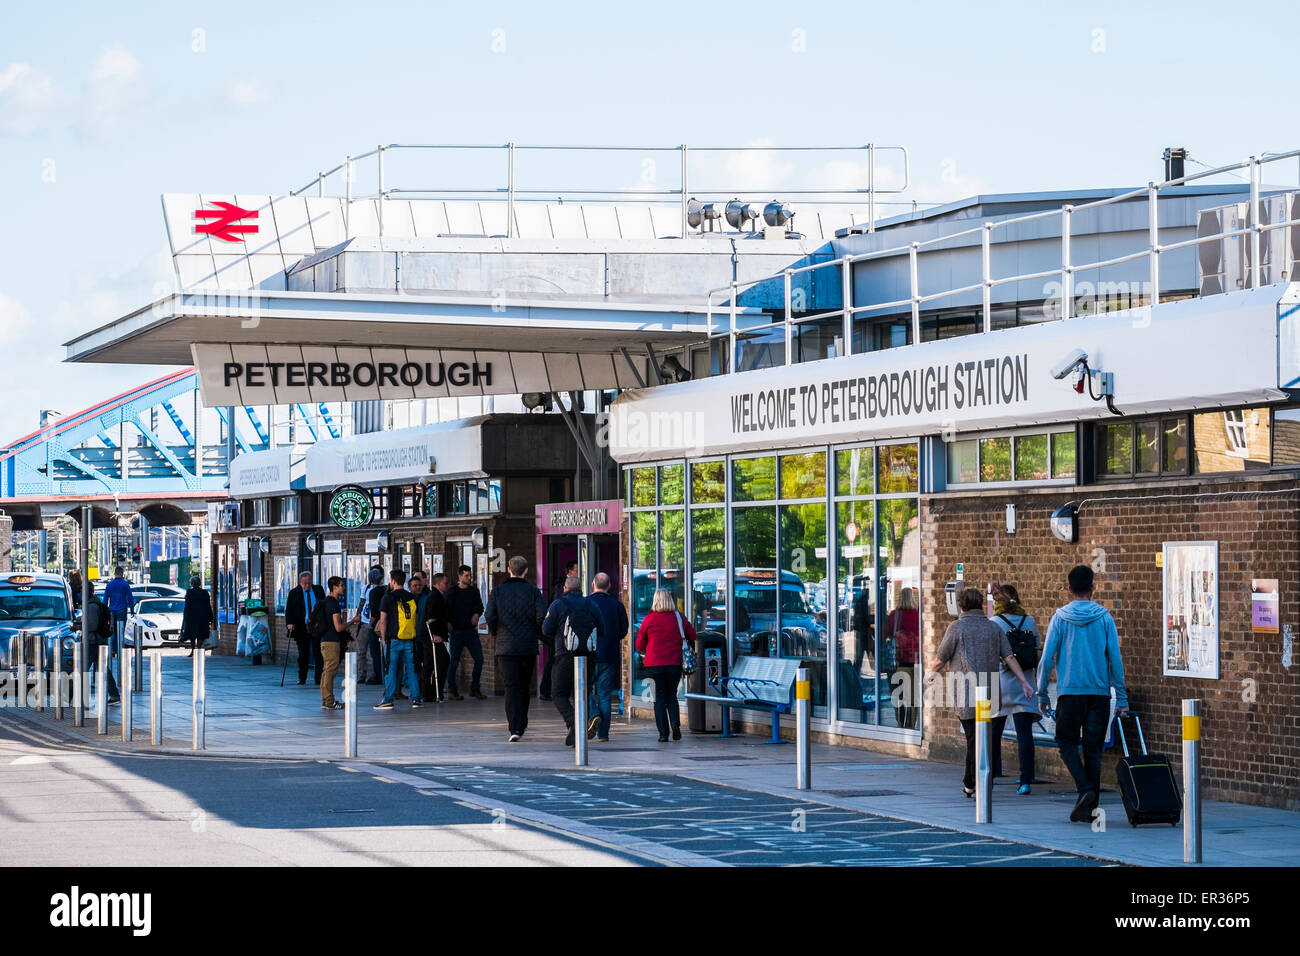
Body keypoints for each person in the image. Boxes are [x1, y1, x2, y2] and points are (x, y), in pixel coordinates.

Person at [1037, 565, 1129, 823]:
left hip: (1070, 694)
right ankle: (1090, 808)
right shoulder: (1104, 618)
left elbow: (1046, 659)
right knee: (1094, 750)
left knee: (1065, 743)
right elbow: (1116, 660)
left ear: (1068, 588)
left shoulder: (1060, 618)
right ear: (1093, 587)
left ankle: (1084, 789)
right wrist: (1121, 699)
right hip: (1099, 694)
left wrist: (1042, 693)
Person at [925, 587, 1034, 798]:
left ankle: (971, 781)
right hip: (990, 692)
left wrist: (928, 677)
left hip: (965, 692)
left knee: (973, 738)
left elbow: (941, 658)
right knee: (982, 737)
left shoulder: (956, 627)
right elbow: (1010, 657)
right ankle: (979, 780)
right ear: (980, 604)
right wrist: (1025, 683)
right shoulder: (993, 628)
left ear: (961, 605)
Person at [485, 555, 547, 741]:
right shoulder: (533, 591)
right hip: (527, 646)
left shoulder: (497, 591)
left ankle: (514, 727)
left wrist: (496, 631)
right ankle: (522, 723)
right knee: (524, 686)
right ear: (526, 571)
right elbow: (542, 615)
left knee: (510, 686)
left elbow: (489, 615)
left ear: (509, 570)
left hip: (505, 646)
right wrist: (534, 632)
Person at [988, 583, 1041, 795]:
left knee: (993, 733)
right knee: (1025, 734)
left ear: (997, 602)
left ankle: (988, 777)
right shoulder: (1029, 621)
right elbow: (1036, 650)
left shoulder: (994, 623)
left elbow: (992, 654)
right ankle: (1026, 780)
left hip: (1000, 682)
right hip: (1024, 683)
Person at [542, 577, 604, 746]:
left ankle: (574, 723)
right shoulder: (591, 604)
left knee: (558, 693)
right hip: (588, 656)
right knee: (582, 692)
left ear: (565, 588)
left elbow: (546, 629)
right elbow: (602, 629)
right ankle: (577, 728)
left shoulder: (557, 604)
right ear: (581, 588)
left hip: (565, 655)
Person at [634, 588, 696, 743]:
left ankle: (663, 734)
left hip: (653, 666)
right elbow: (693, 635)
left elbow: (639, 644)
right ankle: (675, 723)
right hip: (674, 664)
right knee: (672, 696)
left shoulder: (649, 619)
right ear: (670, 600)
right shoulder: (678, 618)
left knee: (659, 698)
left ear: (655, 600)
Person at [587, 572, 628, 743]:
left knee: (582, 690)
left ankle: (593, 713)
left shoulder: (586, 603)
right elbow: (623, 630)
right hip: (609, 655)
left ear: (592, 585)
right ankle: (603, 735)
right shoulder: (616, 605)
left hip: (589, 654)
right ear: (609, 586)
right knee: (604, 695)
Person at [373, 569, 422, 710]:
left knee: (391, 670)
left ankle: (388, 699)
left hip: (393, 640)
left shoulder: (387, 597)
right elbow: (415, 618)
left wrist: (383, 638)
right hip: (410, 639)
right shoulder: (411, 597)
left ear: (393, 581)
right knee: (412, 670)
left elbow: (383, 620)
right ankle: (416, 699)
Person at [445, 564, 485, 700]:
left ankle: (475, 687)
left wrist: (476, 614)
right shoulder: (452, 592)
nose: (469, 578)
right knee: (454, 661)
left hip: (470, 631)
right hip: (457, 631)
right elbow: (447, 611)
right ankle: (451, 689)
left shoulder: (474, 591)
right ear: (460, 576)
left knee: (479, 659)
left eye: (470, 575)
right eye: (466, 575)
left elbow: (480, 606)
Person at [318, 575, 357, 710]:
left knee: (326, 671)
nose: (344, 588)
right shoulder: (334, 604)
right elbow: (338, 627)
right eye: (341, 585)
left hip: (325, 641)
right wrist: (353, 621)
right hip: (332, 642)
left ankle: (326, 699)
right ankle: (329, 701)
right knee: (330, 671)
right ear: (334, 587)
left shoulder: (326, 601)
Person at [883, 587, 920, 729]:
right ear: (912, 598)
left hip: (898, 661)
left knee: (897, 694)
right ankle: (911, 724)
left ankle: (900, 721)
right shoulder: (918, 615)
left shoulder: (894, 615)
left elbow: (883, 634)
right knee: (913, 697)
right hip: (916, 661)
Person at [284, 571, 326, 685]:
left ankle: (319, 678)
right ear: (300, 582)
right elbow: (289, 610)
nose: (307, 586)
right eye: (304, 584)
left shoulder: (318, 590)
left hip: (316, 627)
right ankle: (302, 677)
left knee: (318, 653)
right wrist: (289, 623)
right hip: (301, 627)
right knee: (303, 654)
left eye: (309, 583)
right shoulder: (294, 593)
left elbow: (324, 606)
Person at [81, 589, 119, 705]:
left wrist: (79, 626)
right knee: (104, 670)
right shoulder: (96, 604)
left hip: (93, 643)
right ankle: (114, 695)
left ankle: (67, 697)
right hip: (99, 642)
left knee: (81, 670)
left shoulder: (91, 607)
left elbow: (91, 625)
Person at [419, 572, 451, 702]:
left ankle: (428, 692)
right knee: (442, 660)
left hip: (431, 635)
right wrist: (434, 634)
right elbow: (430, 617)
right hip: (432, 636)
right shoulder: (435, 597)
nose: (448, 585)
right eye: (445, 583)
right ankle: (431, 691)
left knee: (430, 663)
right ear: (438, 584)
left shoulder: (438, 596)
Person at [103, 566, 133, 685]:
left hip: (112, 610)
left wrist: (105, 609)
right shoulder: (125, 585)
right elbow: (130, 598)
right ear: (122, 573)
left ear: (115, 573)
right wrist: (132, 609)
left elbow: (106, 598)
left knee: (112, 631)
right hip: (122, 609)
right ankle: (119, 649)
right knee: (121, 631)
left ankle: (113, 650)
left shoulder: (110, 585)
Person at [361, 567, 387, 685]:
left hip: (375, 625)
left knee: (375, 652)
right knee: (385, 652)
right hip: (387, 623)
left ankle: (378, 675)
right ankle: (385, 674)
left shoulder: (373, 592)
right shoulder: (387, 590)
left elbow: (374, 611)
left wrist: (371, 624)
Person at [181, 574, 213, 659]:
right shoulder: (205, 592)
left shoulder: (189, 592)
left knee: (192, 635)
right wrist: (210, 617)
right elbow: (208, 605)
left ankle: (193, 650)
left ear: (192, 583)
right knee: (200, 634)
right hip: (203, 617)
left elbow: (187, 605)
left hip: (192, 617)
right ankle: (198, 649)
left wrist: (185, 616)